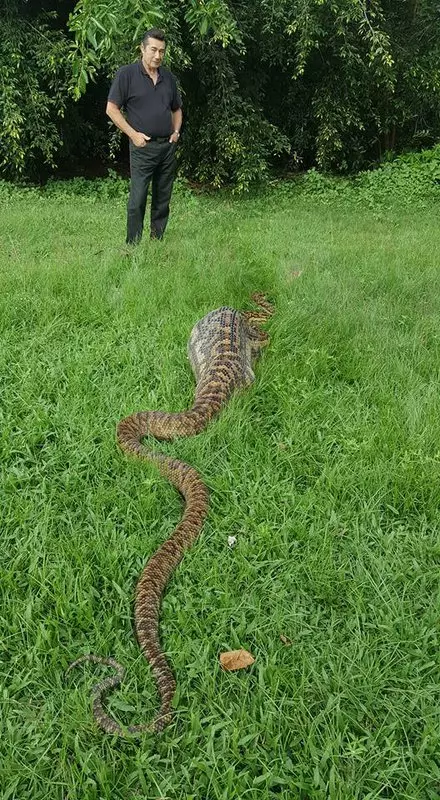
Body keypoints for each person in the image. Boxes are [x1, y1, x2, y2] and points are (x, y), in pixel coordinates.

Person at [106, 29, 183, 245]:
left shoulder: (168, 78)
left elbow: (177, 109)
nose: (158, 55)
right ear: (142, 48)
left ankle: (157, 239)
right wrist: (133, 135)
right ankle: (133, 245)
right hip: (142, 147)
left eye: (162, 51)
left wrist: (176, 132)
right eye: (153, 50)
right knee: (137, 198)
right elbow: (111, 109)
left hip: (167, 147)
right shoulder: (127, 74)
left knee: (163, 197)